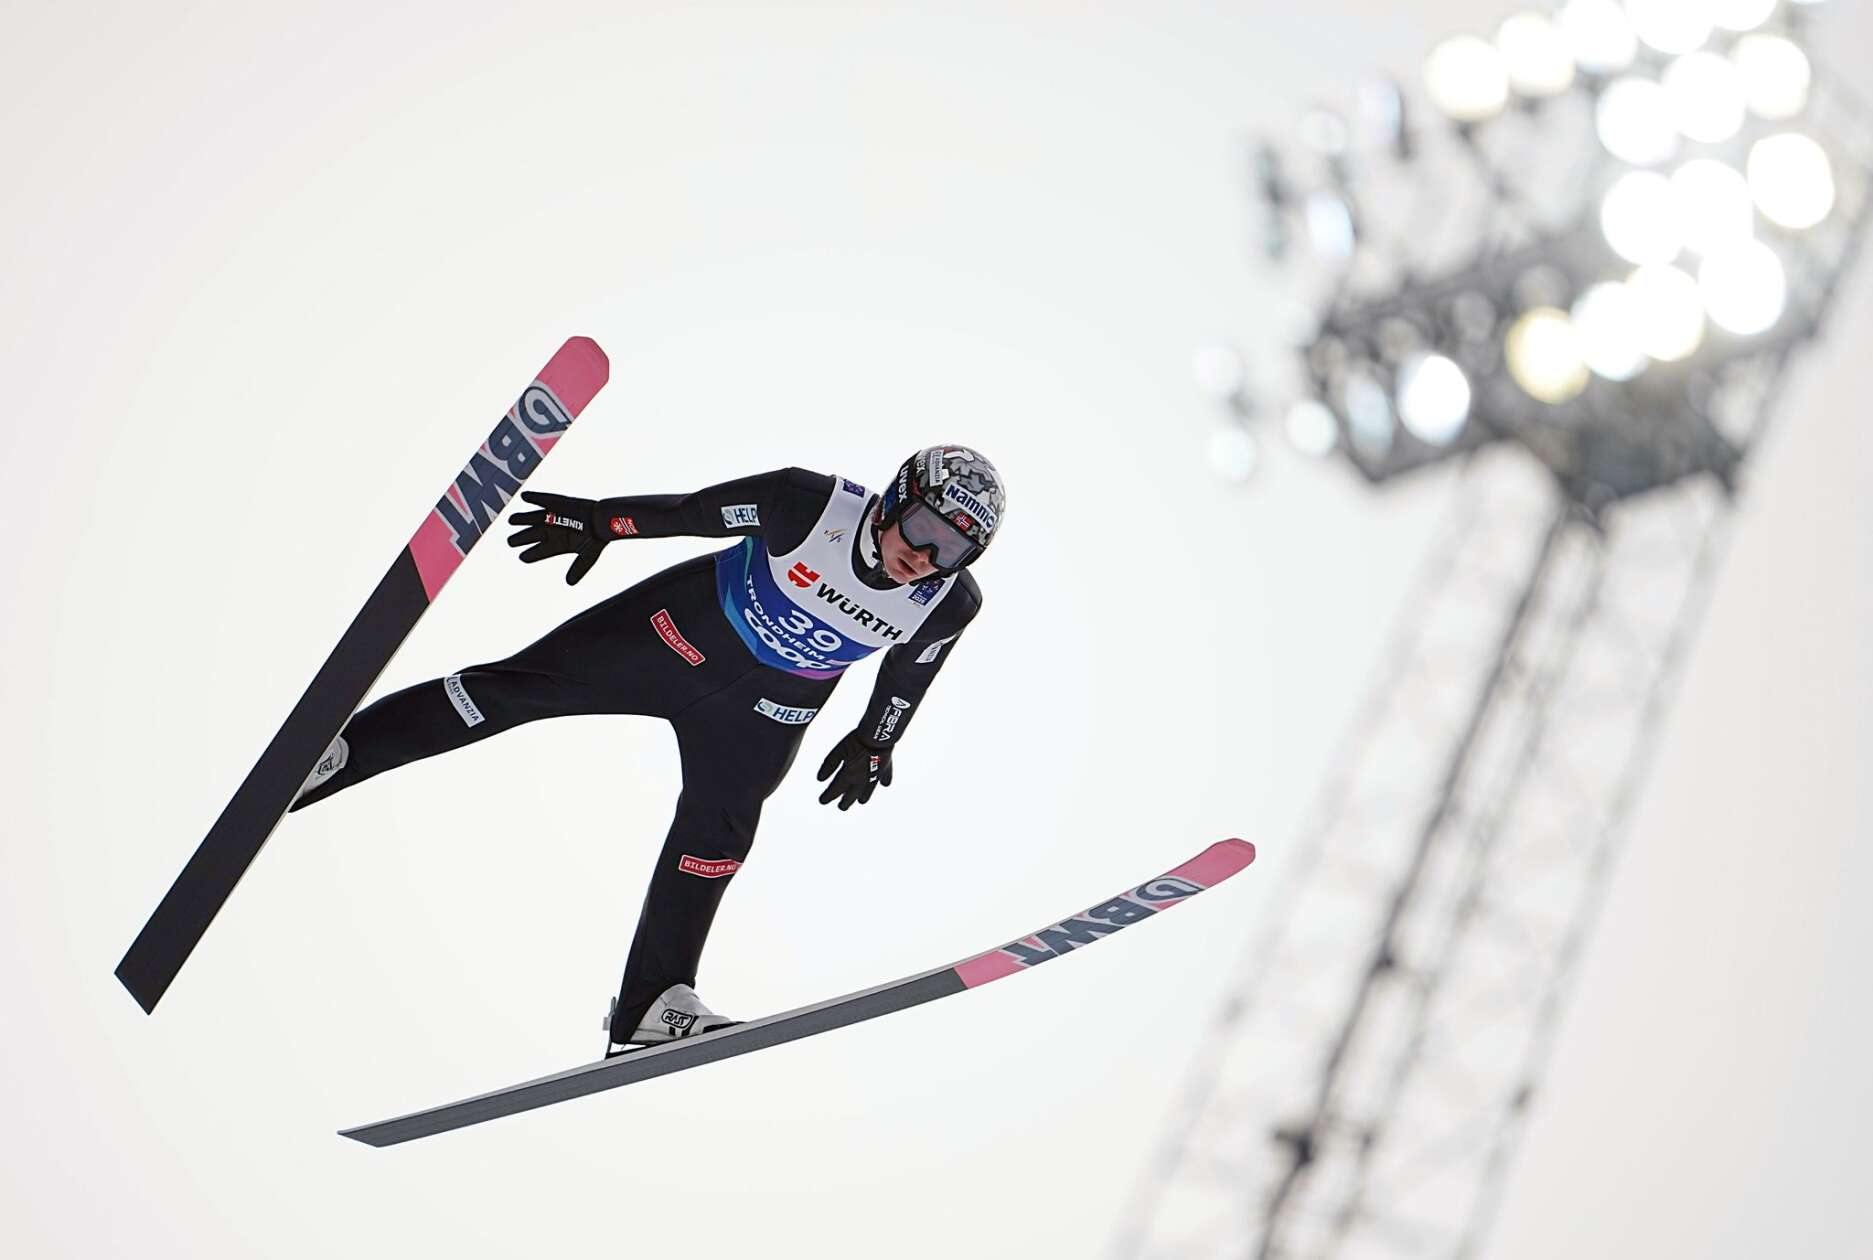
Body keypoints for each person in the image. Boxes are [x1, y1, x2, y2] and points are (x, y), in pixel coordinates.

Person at [289, 445, 1006, 1054]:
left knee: (718, 838)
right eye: (922, 529)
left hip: (765, 711)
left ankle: (652, 1007)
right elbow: (691, 513)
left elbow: (910, 674)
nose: (924, 556)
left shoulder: (947, 603)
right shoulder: (805, 506)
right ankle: (340, 755)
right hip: (668, 637)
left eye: (952, 550)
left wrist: (874, 743)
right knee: (507, 693)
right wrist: (603, 522)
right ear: (893, 500)